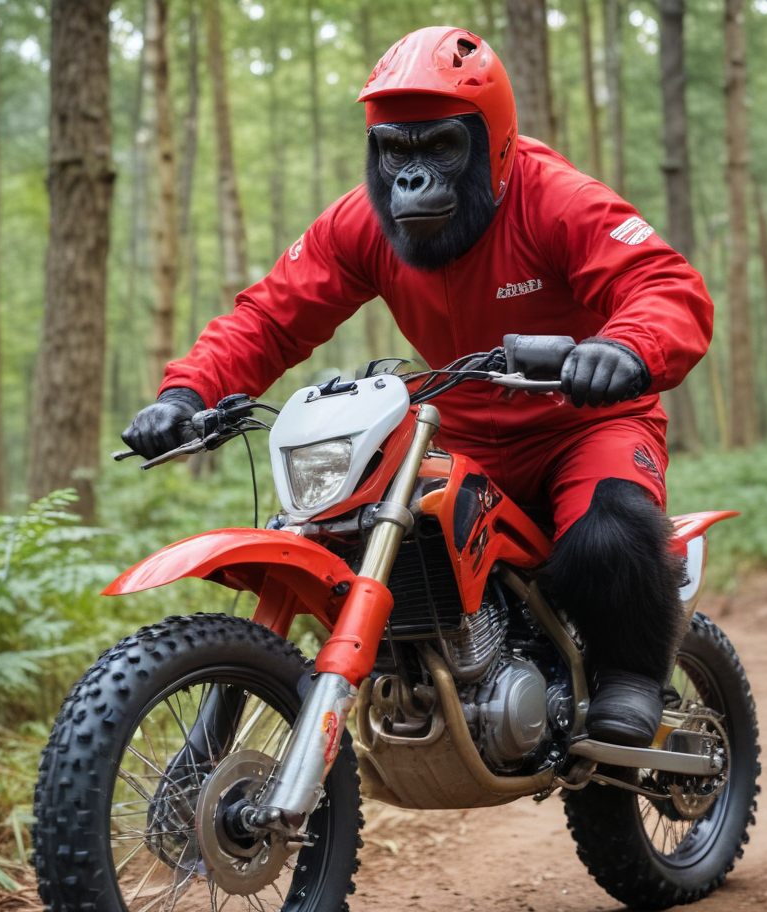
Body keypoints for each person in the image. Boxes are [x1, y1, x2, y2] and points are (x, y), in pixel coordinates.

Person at [123, 26, 713, 748]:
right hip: (458, 432)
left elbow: (664, 285)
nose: (411, 178)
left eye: (439, 148)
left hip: (584, 421)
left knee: (609, 529)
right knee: (367, 530)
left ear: (495, 145)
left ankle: (629, 679)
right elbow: (269, 318)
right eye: (395, 152)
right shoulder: (359, 224)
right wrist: (187, 394)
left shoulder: (556, 199)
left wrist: (625, 347)